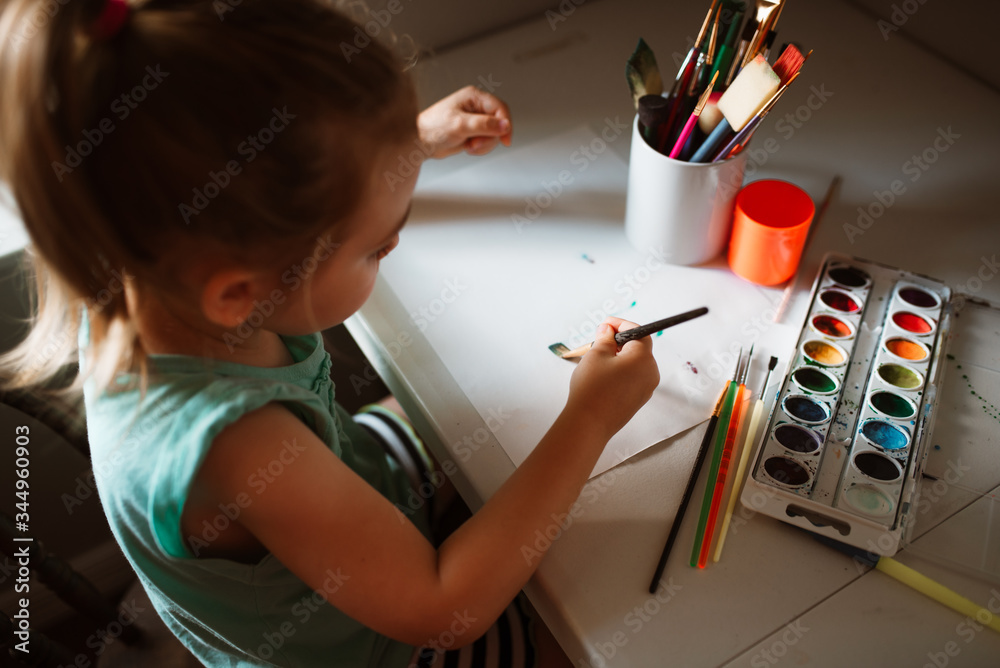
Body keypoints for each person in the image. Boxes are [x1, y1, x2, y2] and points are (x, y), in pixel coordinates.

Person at [0, 0, 660, 666]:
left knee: (484, 420)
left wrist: (395, 150)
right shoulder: (237, 447)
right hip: (378, 645)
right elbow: (444, 607)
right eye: (376, 246)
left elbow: (269, 170)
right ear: (237, 293)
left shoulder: (141, 262)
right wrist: (590, 419)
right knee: (608, 635)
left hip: (355, 476)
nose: (392, 247)